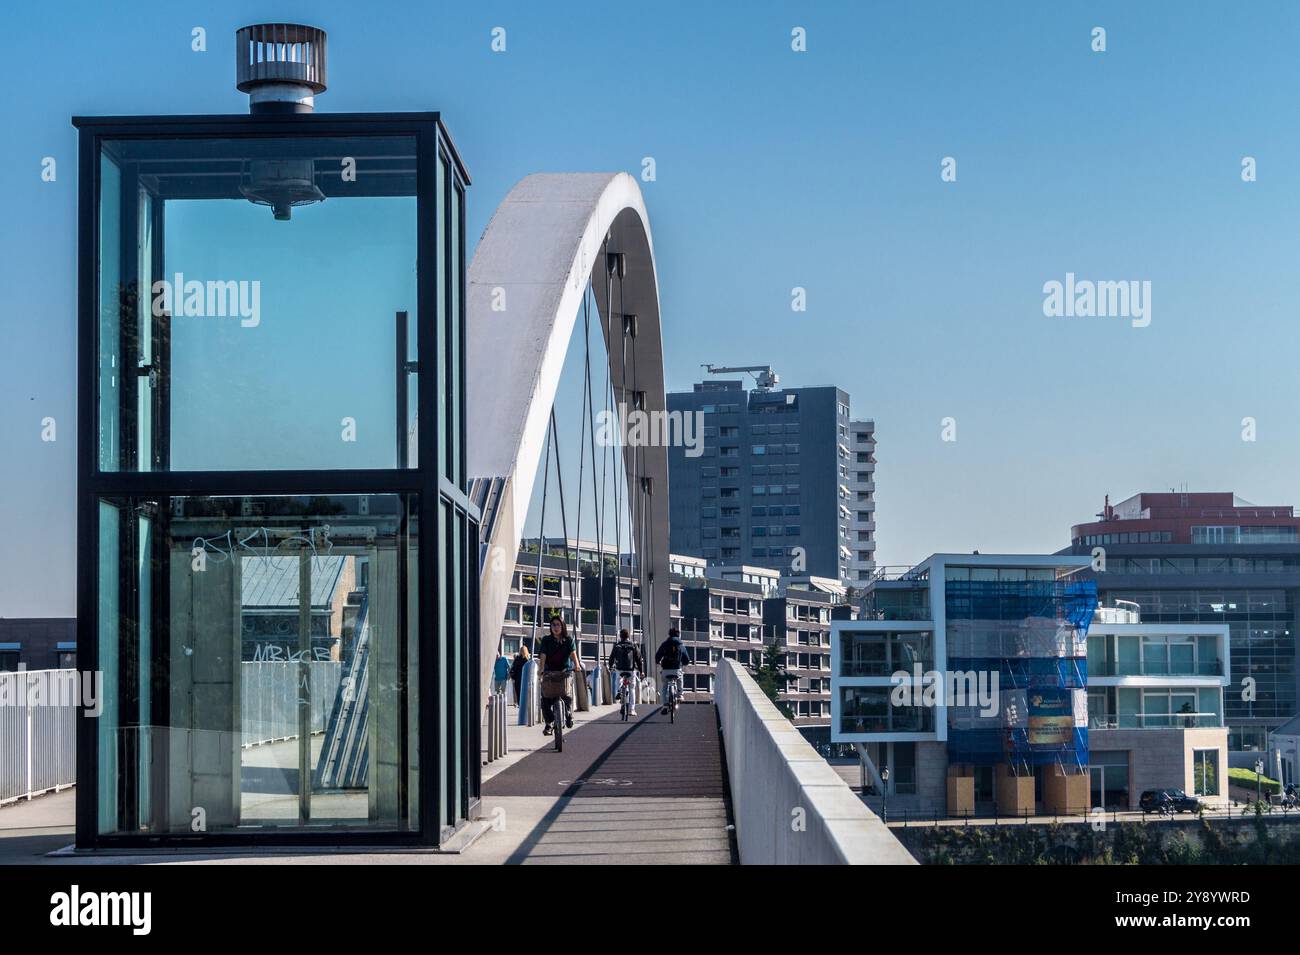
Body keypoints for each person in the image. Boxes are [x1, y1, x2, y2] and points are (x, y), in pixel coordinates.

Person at [538, 616, 578, 735]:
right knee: (545, 698)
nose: (555, 627)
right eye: (553, 625)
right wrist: (541, 669)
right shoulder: (546, 640)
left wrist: (577, 665)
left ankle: (569, 714)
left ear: (563, 626)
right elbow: (543, 655)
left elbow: (573, 653)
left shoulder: (568, 640)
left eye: (558, 624)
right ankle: (549, 723)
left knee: (567, 694)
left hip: (563, 671)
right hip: (549, 672)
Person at [654, 627, 692, 715]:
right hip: (676, 669)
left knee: (664, 686)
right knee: (680, 677)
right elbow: (686, 659)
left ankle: (665, 704)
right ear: (678, 635)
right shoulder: (680, 645)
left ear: (669, 634)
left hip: (666, 670)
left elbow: (658, 656)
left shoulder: (665, 644)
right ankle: (680, 694)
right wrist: (684, 663)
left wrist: (658, 662)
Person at [607, 628, 645, 716]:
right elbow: (638, 659)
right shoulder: (633, 645)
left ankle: (619, 690)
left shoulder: (617, 645)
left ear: (620, 636)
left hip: (619, 669)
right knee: (631, 688)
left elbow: (611, 657)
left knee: (618, 679)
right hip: (630, 670)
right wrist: (641, 671)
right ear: (628, 636)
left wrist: (610, 667)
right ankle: (632, 709)